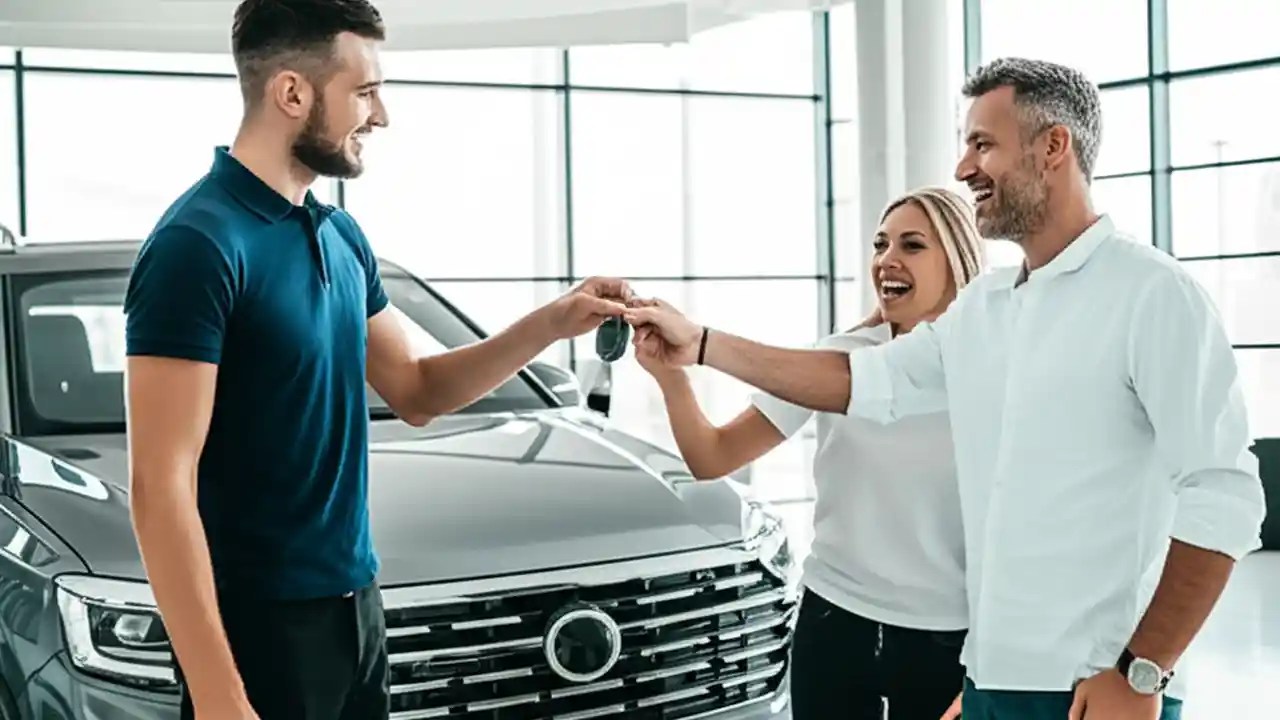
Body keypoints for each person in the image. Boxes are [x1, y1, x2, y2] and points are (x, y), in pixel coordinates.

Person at [623, 57, 1266, 720]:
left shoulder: (1152, 294)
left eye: (983, 144)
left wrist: (1142, 672)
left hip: (1092, 686)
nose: (963, 168)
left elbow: (1224, 495)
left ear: (1053, 147)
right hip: (989, 678)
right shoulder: (984, 308)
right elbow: (860, 378)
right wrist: (700, 344)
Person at [122, 2, 632, 719]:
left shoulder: (341, 236)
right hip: (258, 629)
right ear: (292, 93)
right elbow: (159, 487)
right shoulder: (196, 246)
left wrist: (553, 321)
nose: (381, 115)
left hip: (355, 611)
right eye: (364, 92)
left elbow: (418, 390)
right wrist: (217, 695)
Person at [632, 187, 984, 719]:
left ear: (958, 260)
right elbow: (713, 455)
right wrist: (671, 377)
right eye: (880, 244)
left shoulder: (988, 371)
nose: (887, 259)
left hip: (945, 639)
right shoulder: (837, 360)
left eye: (912, 245)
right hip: (833, 623)